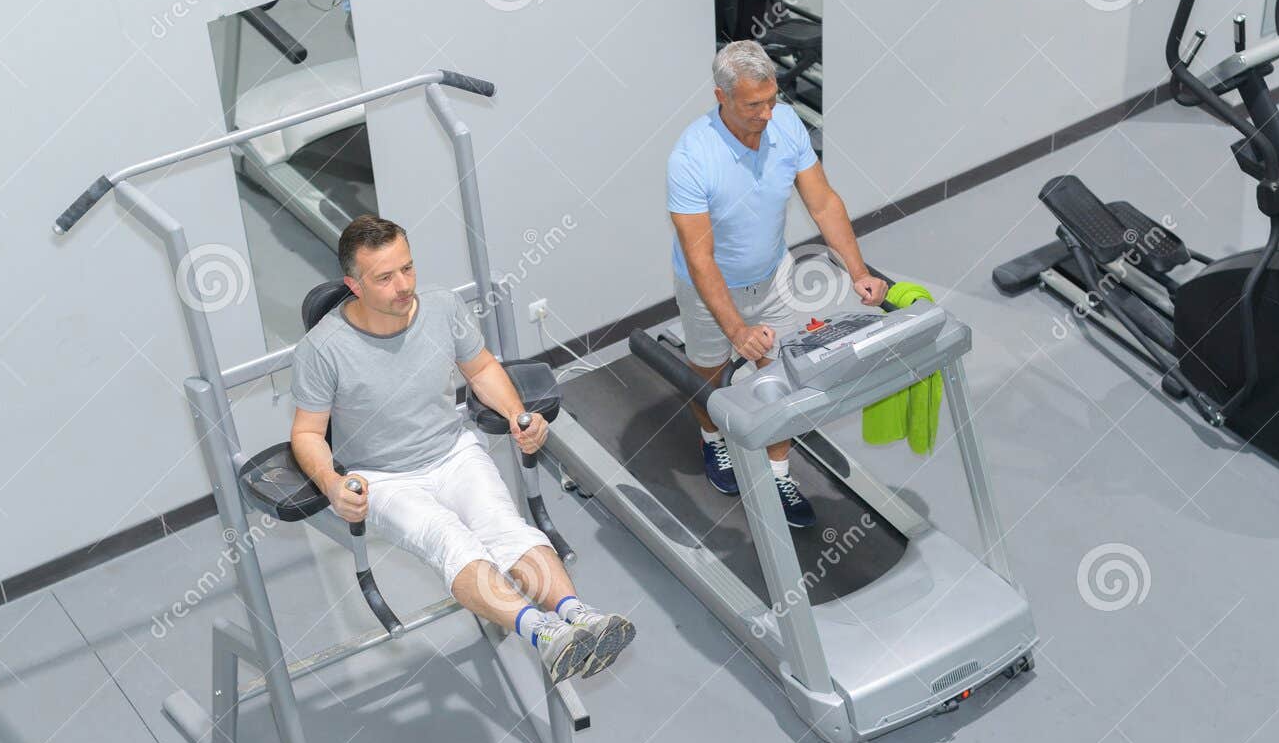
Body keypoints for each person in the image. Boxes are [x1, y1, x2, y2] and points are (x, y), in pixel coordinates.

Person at [289, 215, 634, 684]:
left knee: (505, 528)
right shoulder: (322, 348)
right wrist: (331, 484)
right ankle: (544, 636)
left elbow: (482, 369)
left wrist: (516, 415)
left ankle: (580, 616)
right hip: (383, 479)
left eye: (408, 269)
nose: (403, 286)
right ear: (352, 283)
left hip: (453, 451)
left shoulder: (442, 307)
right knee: (451, 539)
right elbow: (308, 434)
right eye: (385, 277)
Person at [667, 40, 887, 526]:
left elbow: (824, 203)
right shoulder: (691, 157)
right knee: (710, 372)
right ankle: (712, 441)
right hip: (710, 285)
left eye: (771, 99)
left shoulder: (785, 124)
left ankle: (777, 473)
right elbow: (700, 258)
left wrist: (859, 271)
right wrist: (736, 331)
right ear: (721, 97)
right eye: (753, 105)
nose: (767, 113)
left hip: (773, 276)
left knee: (783, 374)